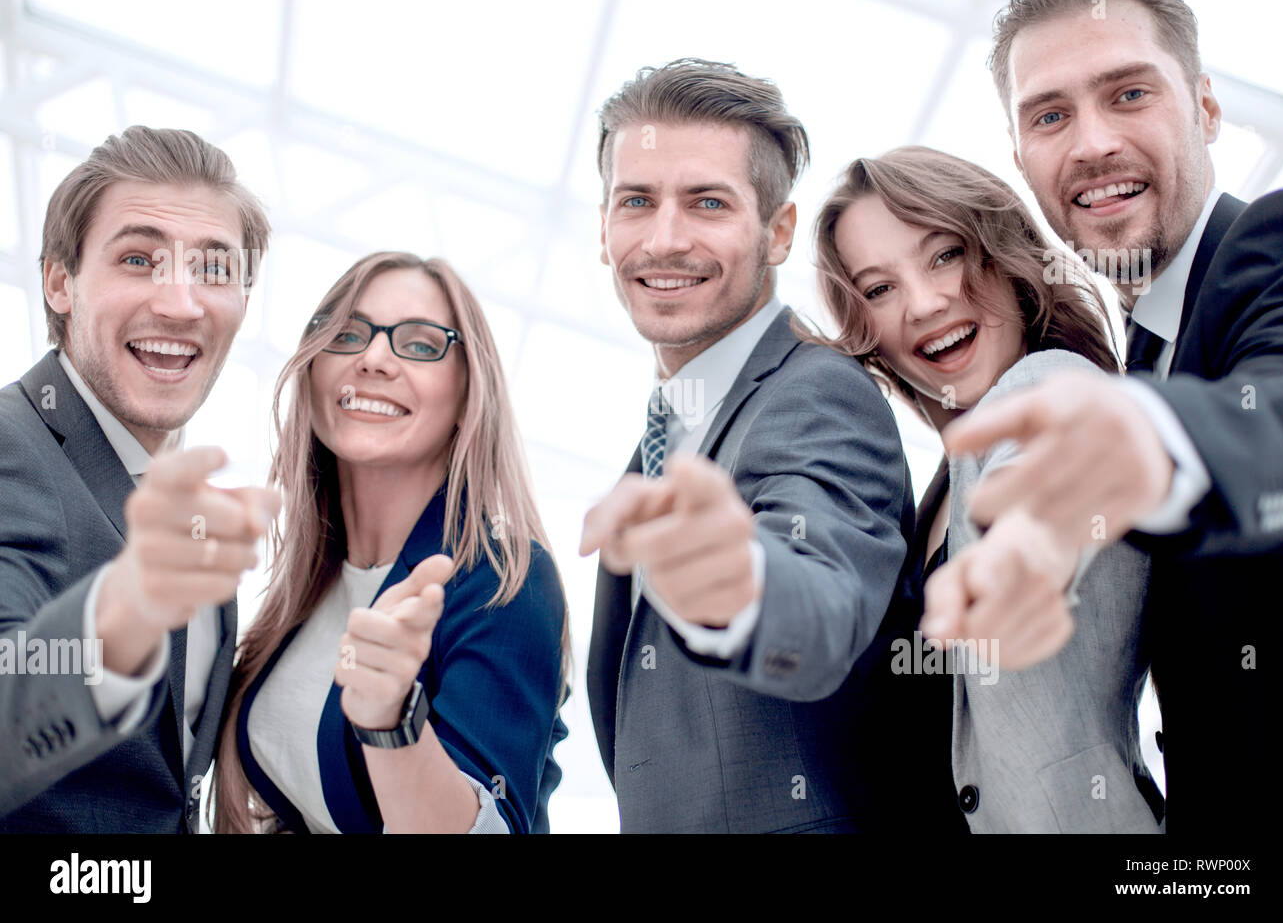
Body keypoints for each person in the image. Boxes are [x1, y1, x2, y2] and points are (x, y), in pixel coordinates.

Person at [928, 0, 1283, 832]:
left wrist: (1154, 443)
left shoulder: (1279, 243)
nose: (1091, 144)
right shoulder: (1135, 359)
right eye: (1050, 116)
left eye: (1128, 93)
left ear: (1206, 109)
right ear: (1023, 157)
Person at [579, 59, 931, 833]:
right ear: (604, 231)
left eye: (708, 202)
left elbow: (825, 598)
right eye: (636, 202)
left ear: (777, 233)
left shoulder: (816, 394)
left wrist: (739, 584)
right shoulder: (659, 443)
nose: (664, 239)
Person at [812, 146, 1163, 832]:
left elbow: (1052, 476)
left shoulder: (1054, 384)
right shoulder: (933, 495)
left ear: (1003, 255)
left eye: (944, 255)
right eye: (879, 289)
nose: (925, 302)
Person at [213, 251, 568, 834]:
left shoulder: (505, 579)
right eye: (347, 335)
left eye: (423, 345)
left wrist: (390, 720)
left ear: (467, 395)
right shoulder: (309, 580)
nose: (374, 359)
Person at [0, 125, 277, 832]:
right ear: (60, 281)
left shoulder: (183, 507)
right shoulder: (10, 446)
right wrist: (121, 610)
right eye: (137, 258)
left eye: (215, 269)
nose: (181, 304)